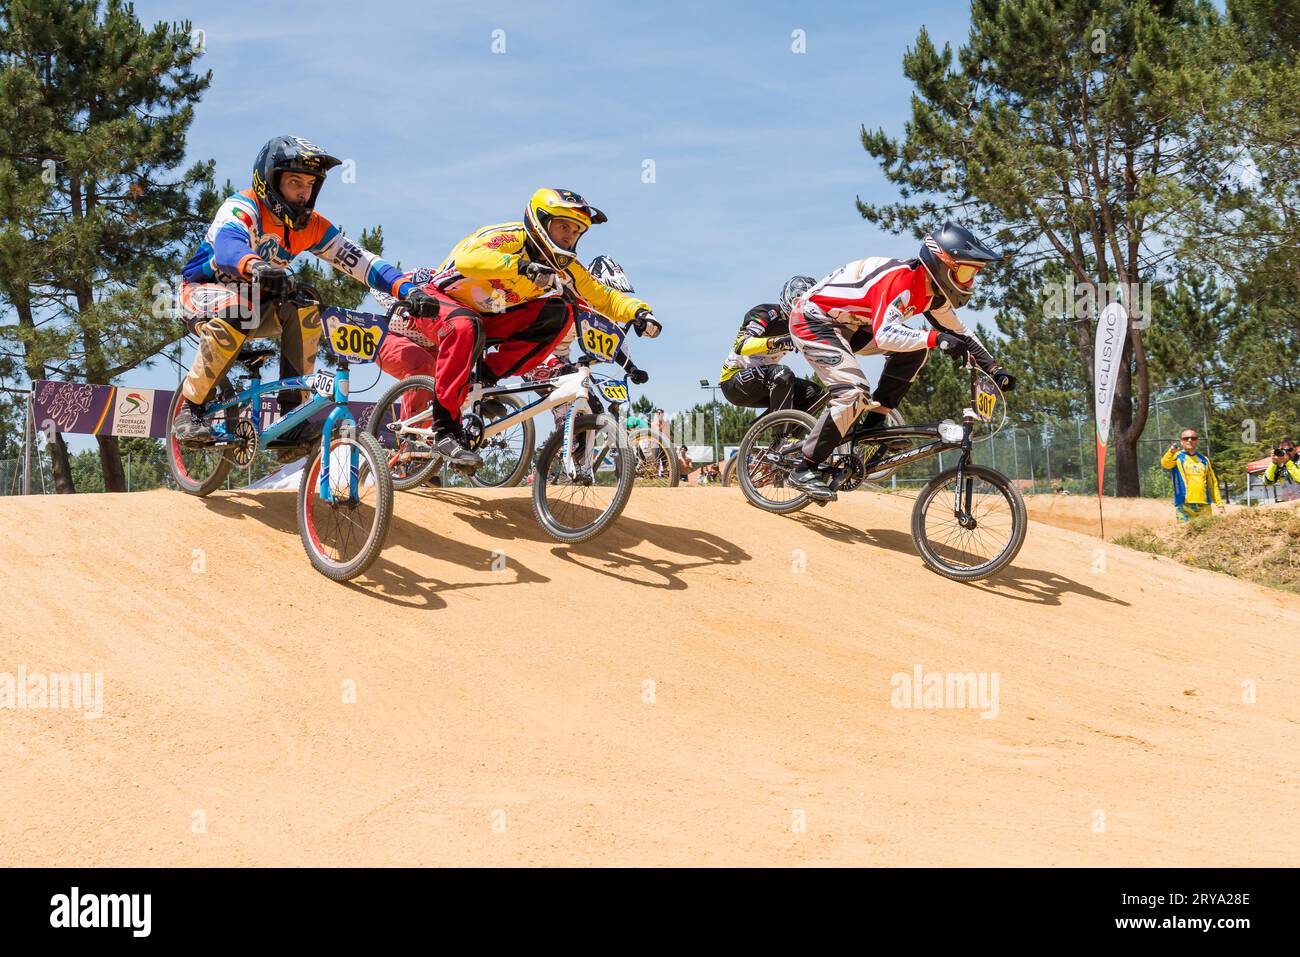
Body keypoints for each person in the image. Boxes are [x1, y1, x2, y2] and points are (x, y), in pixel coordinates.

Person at [174, 135, 437, 457]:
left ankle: (291, 418)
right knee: (237, 308)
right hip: (201, 292)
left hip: (257, 304)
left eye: (310, 184)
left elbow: (362, 262)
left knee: (306, 302)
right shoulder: (242, 207)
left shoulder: (309, 226)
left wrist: (407, 290)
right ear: (269, 181)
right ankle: (190, 408)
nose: (303, 192)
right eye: (294, 181)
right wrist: (255, 265)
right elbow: (228, 246)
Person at [372, 193, 659, 466]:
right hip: (440, 304)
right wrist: (521, 266)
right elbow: (467, 258)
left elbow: (601, 296)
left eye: (576, 231)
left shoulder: (564, 266)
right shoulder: (511, 237)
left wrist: (638, 312)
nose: (570, 236)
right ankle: (445, 430)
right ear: (541, 222)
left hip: (489, 317)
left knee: (562, 310)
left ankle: (483, 379)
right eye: (564, 227)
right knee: (464, 324)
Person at [785, 222, 1016, 499]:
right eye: (965, 272)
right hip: (813, 320)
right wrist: (935, 338)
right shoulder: (902, 281)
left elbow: (960, 332)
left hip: (851, 325)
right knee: (853, 393)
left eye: (973, 275)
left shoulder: (932, 294)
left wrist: (994, 368)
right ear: (943, 264)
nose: (969, 282)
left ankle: (874, 421)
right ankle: (804, 468)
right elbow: (885, 335)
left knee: (916, 350)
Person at [719, 276, 825, 416]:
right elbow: (741, 346)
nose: (802, 307)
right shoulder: (765, 314)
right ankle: (782, 435)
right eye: (799, 302)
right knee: (782, 373)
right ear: (788, 298)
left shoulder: (801, 326)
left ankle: (777, 431)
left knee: (815, 394)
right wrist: (777, 342)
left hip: (765, 380)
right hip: (733, 380)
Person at [1160, 429, 1224, 521]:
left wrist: (1220, 504)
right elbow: (1165, 464)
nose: (1190, 440)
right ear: (1181, 441)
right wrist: (1170, 452)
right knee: (1185, 533)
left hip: (1204, 505)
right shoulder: (1176, 457)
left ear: (1197, 441)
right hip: (1184, 505)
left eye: (1193, 438)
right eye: (1186, 438)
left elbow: (1212, 484)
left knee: (1205, 533)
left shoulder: (1204, 460)